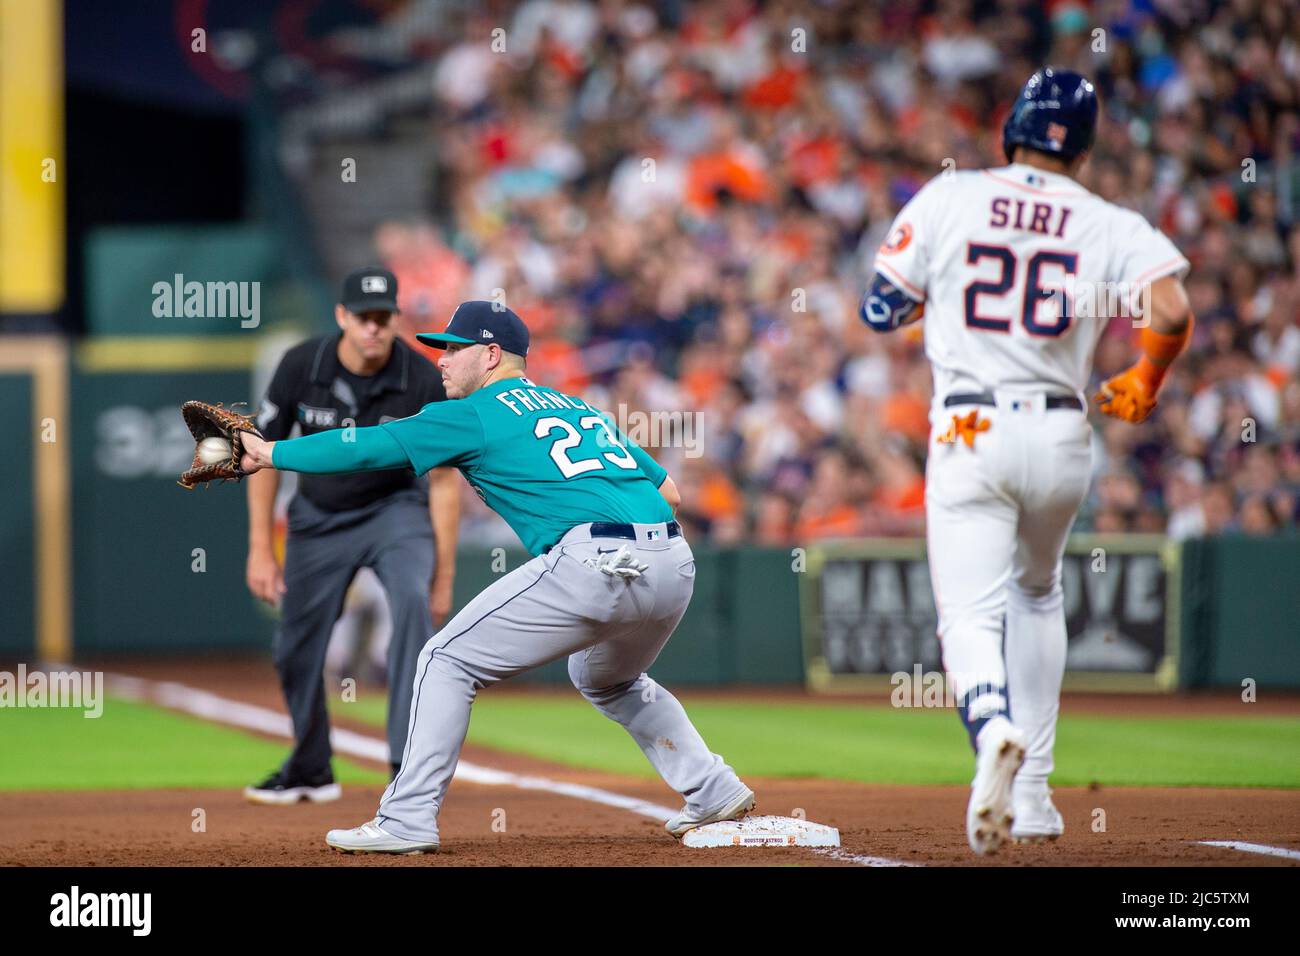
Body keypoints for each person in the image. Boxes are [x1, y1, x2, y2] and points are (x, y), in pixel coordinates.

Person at [236, 300, 754, 852]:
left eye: (453, 350)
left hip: (596, 560)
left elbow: (365, 446)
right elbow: (668, 494)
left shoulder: (475, 413)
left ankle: (406, 819)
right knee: (608, 679)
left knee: (443, 660)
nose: (441, 361)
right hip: (673, 561)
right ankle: (712, 787)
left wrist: (271, 451)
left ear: (489, 355)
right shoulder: (575, 405)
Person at [860, 68, 1193, 855]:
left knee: (969, 615)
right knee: (1038, 593)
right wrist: (1144, 378)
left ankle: (992, 725)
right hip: (1059, 433)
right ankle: (1036, 795)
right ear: (1083, 147)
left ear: (1012, 126)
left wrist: (941, 293)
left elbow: (881, 306)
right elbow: (1172, 310)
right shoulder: (1109, 221)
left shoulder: (953, 196)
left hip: (970, 424)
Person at [243, 267, 461, 804]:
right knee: (295, 645)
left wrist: (443, 576)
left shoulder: (420, 377)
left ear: (394, 319)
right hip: (318, 518)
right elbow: (261, 458)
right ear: (342, 316)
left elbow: (444, 481)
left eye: (383, 317)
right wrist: (258, 551)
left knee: (411, 605)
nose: (373, 327)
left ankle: (404, 768)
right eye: (363, 317)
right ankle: (311, 766)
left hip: (395, 510)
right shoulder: (302, 365)